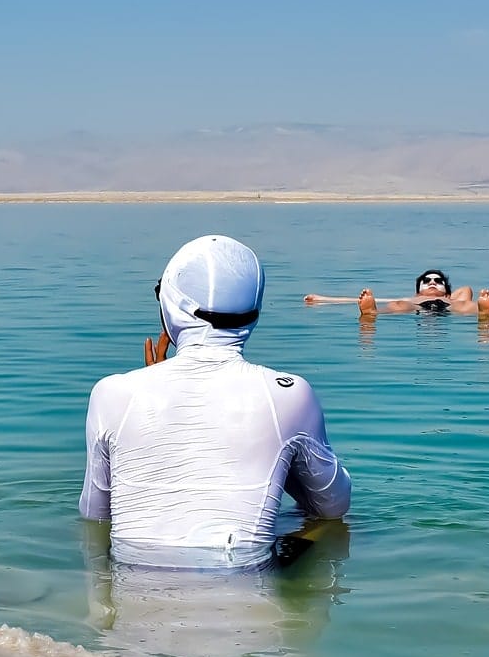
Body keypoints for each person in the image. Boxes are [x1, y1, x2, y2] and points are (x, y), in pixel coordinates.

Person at [79, 235, 352, 570]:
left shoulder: (112, 393)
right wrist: (286, 448)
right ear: (255, 311)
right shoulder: (290, 394)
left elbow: (96, 516)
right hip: (251, 609)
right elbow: (332, 507)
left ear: (170, 305)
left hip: (137, 609)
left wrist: (151, 391)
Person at [305, 269, 489, 319]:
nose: (432, 283)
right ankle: (371, 313)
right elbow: (351, 300)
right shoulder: (411, 299)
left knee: (465, 305)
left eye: (438, 282)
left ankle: (484, 314)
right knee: (398, 305)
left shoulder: (451, 299)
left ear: (446, 290)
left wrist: (446, 297)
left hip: (449, 307)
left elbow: (466, 290)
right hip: (415, 308)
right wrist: (322, 299)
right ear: (417, 289)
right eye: (427, 281)